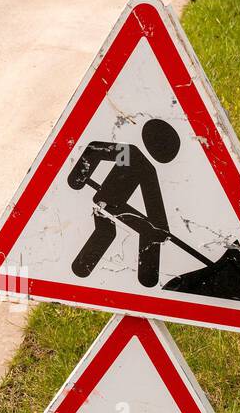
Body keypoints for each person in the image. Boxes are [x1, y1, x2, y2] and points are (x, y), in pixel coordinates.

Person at [66, 118, 180, 288]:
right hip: (109, 202)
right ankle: (82, 268)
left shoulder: (142, 164)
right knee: (107, 232)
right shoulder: (132, 155)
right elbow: (96, 151)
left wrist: (160, 227)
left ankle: (147, 276)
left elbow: (153, 201)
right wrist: (78, 177)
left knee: (113, 232)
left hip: (119, 208)